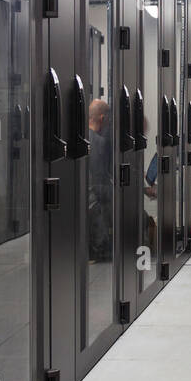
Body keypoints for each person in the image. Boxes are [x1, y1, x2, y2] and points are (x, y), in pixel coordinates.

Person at [86, 98, 114, 261]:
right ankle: (100, 248)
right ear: (103, 118)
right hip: (94, 201)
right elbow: (99, 180)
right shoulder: (99, 142)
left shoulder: (83, 138)